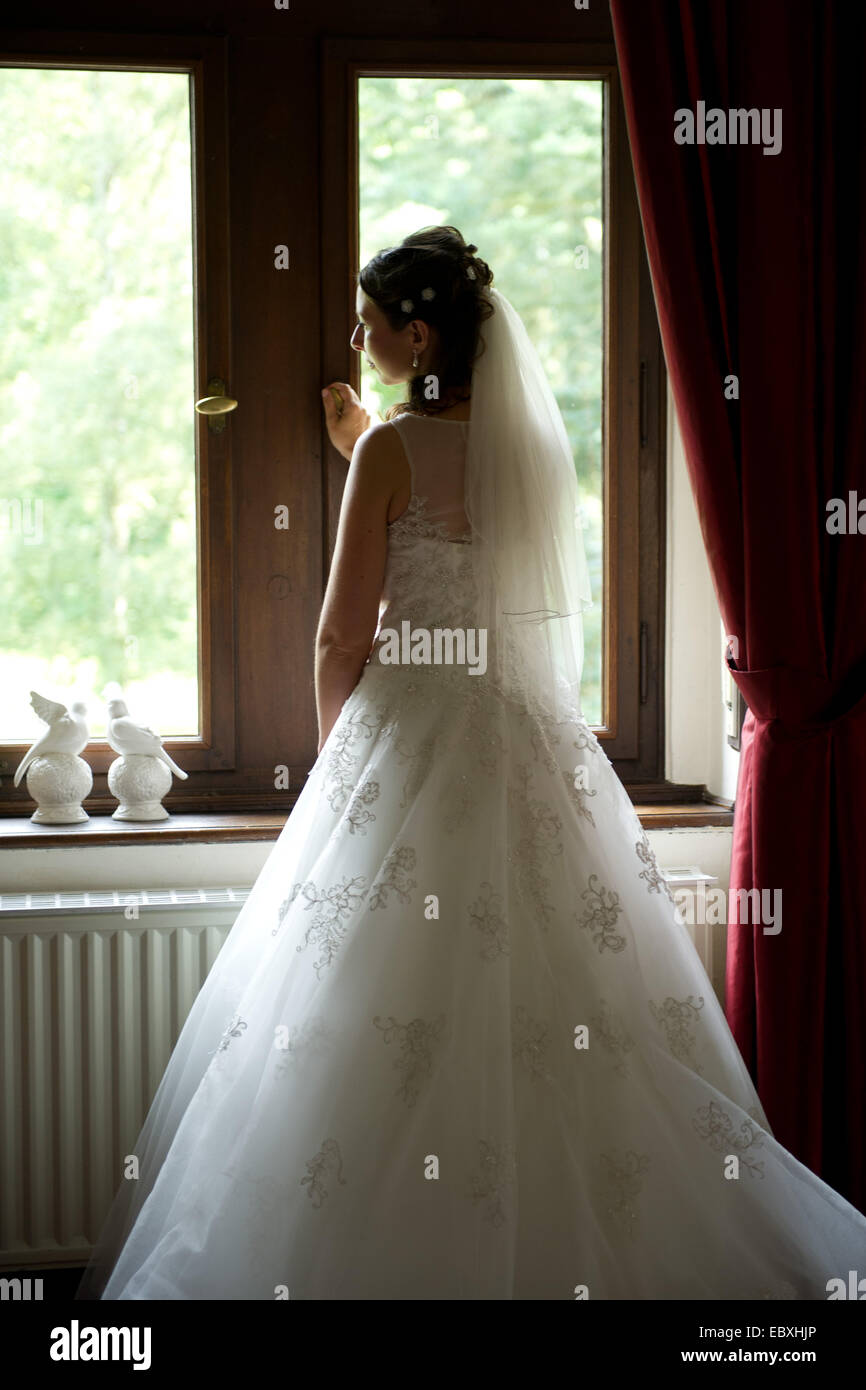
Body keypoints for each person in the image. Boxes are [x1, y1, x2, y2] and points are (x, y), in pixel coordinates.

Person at [77, 226, 866, 1300]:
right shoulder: (529, 450)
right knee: (573, 1023)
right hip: (524, 740)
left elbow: (338, 636)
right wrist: (364, 446)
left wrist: (333, 769)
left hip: (406, 740)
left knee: (356, 1020)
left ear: (416, 330)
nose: (355, 340)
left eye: (367, 324)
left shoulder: (392, 452)